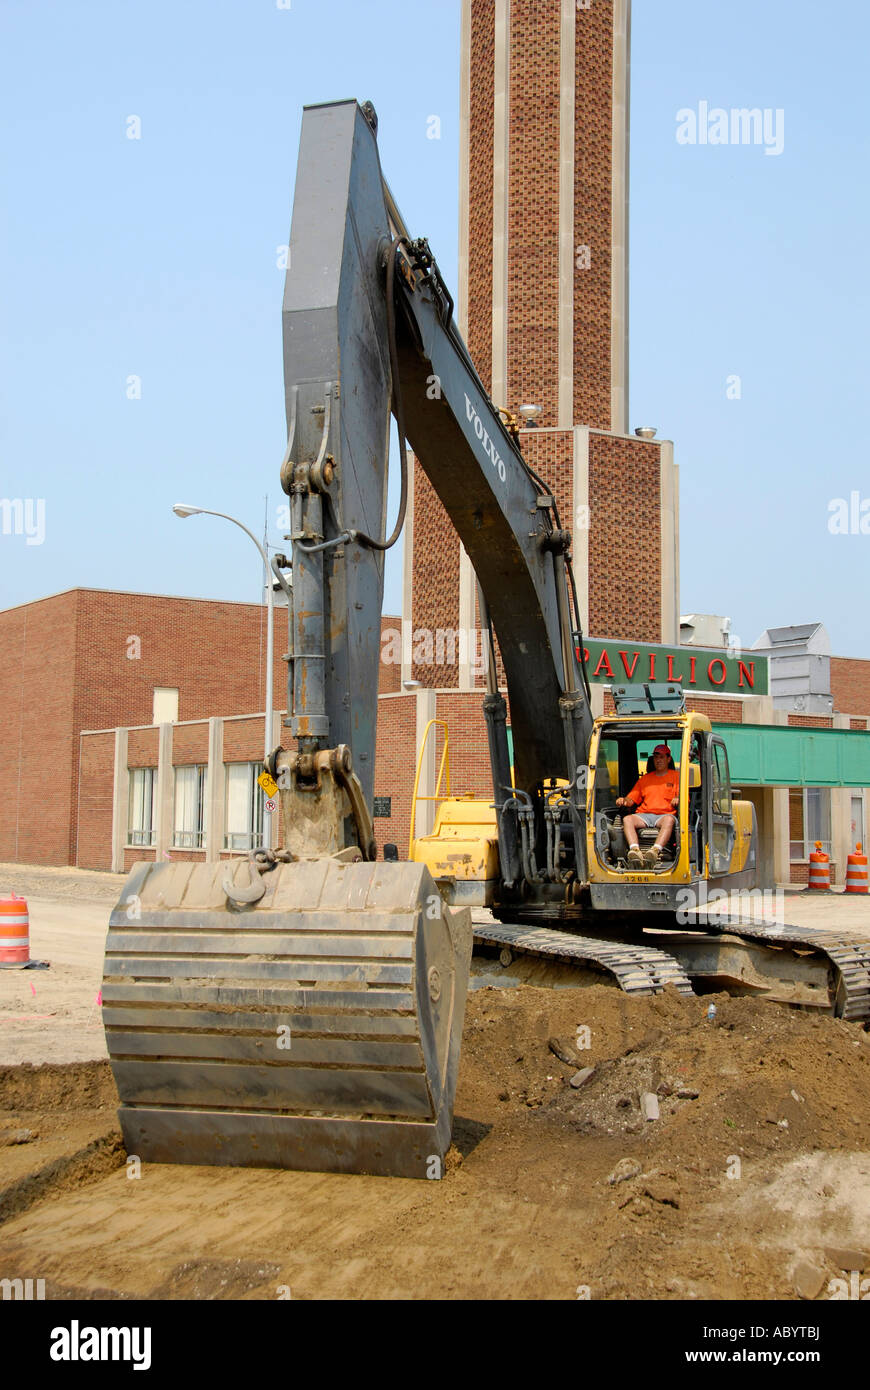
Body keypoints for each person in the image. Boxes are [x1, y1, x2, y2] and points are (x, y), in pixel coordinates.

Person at [616, 744, 679, 869]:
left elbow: (683, 798)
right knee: (627, 819)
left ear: (668, 759)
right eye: (656, 757)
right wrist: (623, 800)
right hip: (645, 815)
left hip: (665, 815)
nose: (658, 760)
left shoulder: (676, 777)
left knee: (669, 820)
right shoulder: (645, 779)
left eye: (661, 757)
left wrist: (678, 799)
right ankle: (635, 851)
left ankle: (654, 851)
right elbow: (631, 799)